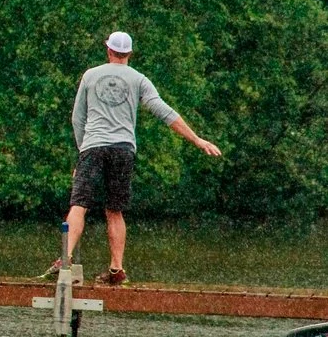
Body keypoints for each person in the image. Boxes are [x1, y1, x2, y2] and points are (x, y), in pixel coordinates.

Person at [43, 31, 222, 285]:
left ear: (108, 50)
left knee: (79, 205)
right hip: (123, 150)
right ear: (130, 54)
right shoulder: (139, 79)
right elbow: (164, 112)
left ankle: (66, 257)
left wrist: (83, 151)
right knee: (114, 210)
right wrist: (197, 139)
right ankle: (117, 269)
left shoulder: (90, 75)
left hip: (93, 147)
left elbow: (77, 118)